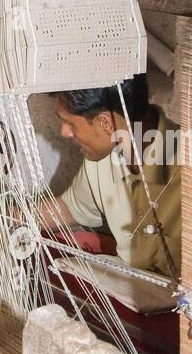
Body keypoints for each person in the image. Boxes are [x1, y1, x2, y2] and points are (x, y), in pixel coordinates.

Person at [37, 75, 181, 280]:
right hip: (137, 296)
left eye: (70, 123)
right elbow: (68, 209)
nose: (65, 133)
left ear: (106, 123)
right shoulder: (102, 159)